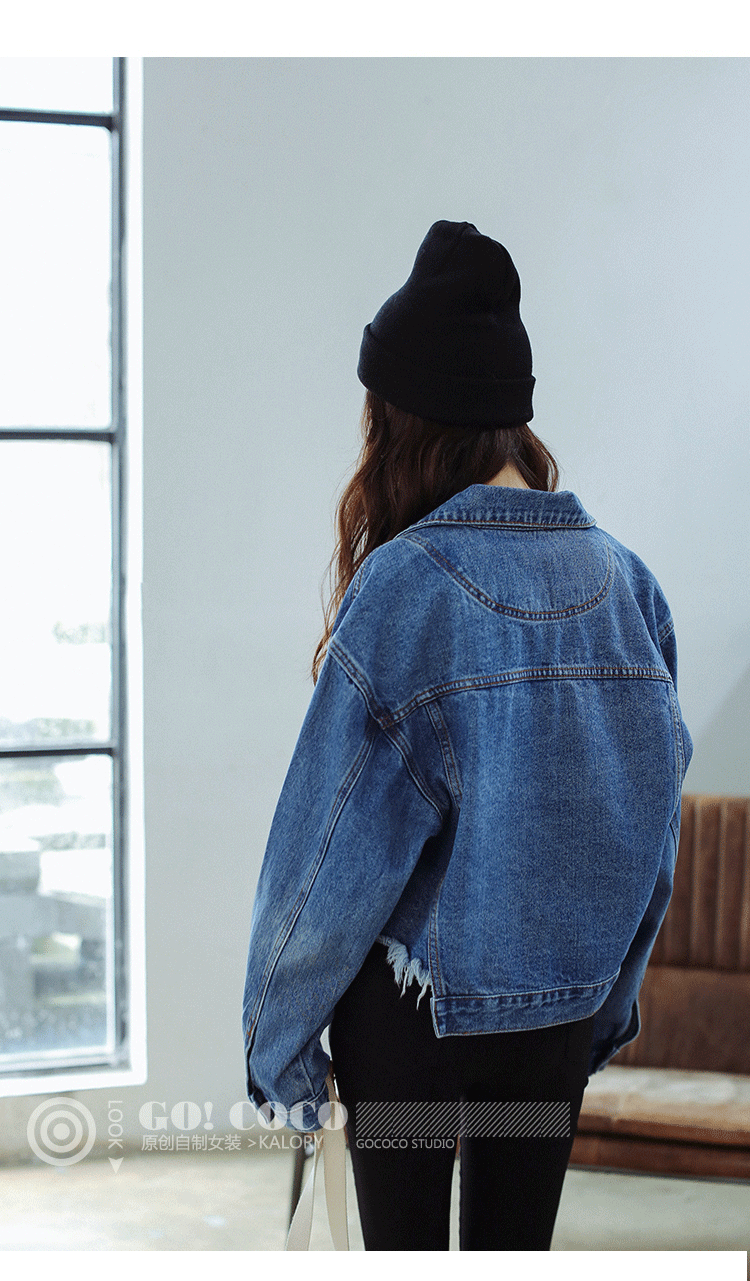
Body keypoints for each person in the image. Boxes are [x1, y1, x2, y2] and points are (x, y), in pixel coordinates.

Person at [241, 220, 693, 1250]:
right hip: (553, 1023)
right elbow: (650, 841)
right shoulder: (632, 588)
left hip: (412, 1028)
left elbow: (326, 852)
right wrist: (608, 1003)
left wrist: (279, 1043)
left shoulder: (405, 587)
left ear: (403, 421)